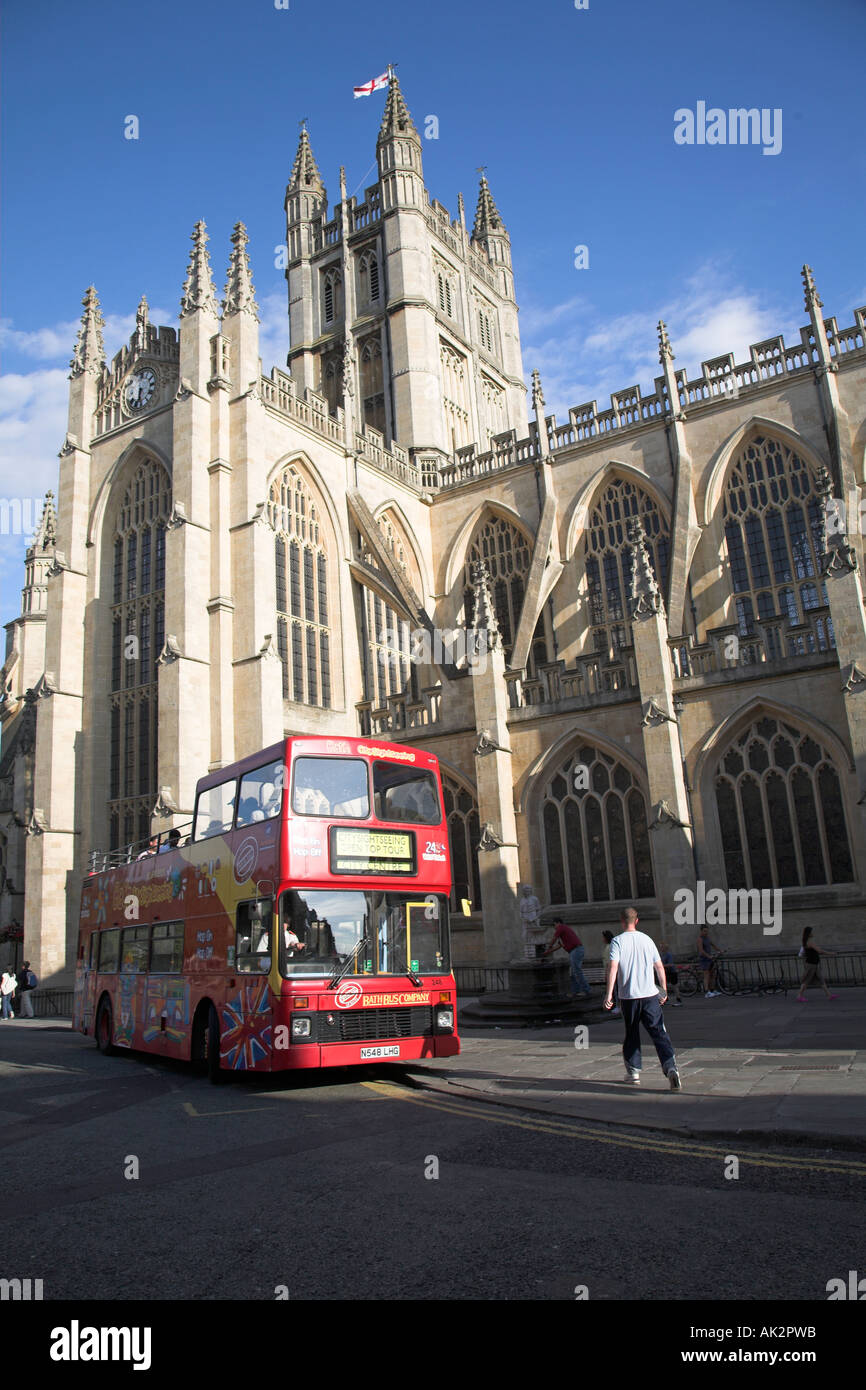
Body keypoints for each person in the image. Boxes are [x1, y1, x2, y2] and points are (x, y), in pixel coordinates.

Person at [604, 906, 681, 1090]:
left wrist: (608, 994)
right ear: (636, 921)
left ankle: (633, 1072)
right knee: (658, 1032)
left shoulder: (617, 941)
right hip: (649, 995)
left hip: (629, 997)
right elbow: (660, 967)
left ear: (622, 921)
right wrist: (663, 990)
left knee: (631, 1033)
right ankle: (671, 1068)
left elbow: (613, 968)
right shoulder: (647, 940)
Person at [543, 919, 591, 998]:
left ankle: (586, 990)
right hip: (575, 951)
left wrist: (548, 947)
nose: (554, 927)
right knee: (572, 973)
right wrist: (548, 952)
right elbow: (558, 946)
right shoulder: (563, 934)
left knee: (577, 971)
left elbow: (554, 939)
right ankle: (576, 991)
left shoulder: (561, 927)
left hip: (576, 950)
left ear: (558, 923)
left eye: (554, 925)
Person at [797, 928, 839, 1002]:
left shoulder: (806, 942)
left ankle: (829, 995)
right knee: (806, 981)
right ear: (809, 933)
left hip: (813, 964)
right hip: (811, 965)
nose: (813, 933)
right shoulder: (809, 942)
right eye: (811, 932)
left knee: (821, 979)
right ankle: (799, 996)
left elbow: (803, 953)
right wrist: (831, 953)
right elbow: (820, 951)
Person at [697, 925, 721, 998]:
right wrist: (708, 956)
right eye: (704, 931)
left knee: (713, 975)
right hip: (704, 959)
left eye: (707, 931)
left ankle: (712, 990)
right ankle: (707, 992)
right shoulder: (700, 939)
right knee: (706, 975)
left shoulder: (707, 938)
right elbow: (701, 950)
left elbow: (713, 945)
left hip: (710, 959)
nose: (706, 932)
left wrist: (719, 950)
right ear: (701, 931)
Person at [602, 930, 620, 1016]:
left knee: (615, 990)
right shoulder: (612, 946)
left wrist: (606, 974)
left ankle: (617, 1006)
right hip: (614, 971)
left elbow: (608, 963)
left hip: (612, 972)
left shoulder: (609, 947)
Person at [659, 940, 683, 1005]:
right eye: (660, 947)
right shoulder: (661, 954)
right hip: (665, 972)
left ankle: (678, 998)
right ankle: (665, 998)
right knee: (663, 985)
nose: (661, 948)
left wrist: (662, 965)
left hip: (672, 971)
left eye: (662, 947)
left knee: (674, 985)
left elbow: (670, 964)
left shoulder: (668, 955)